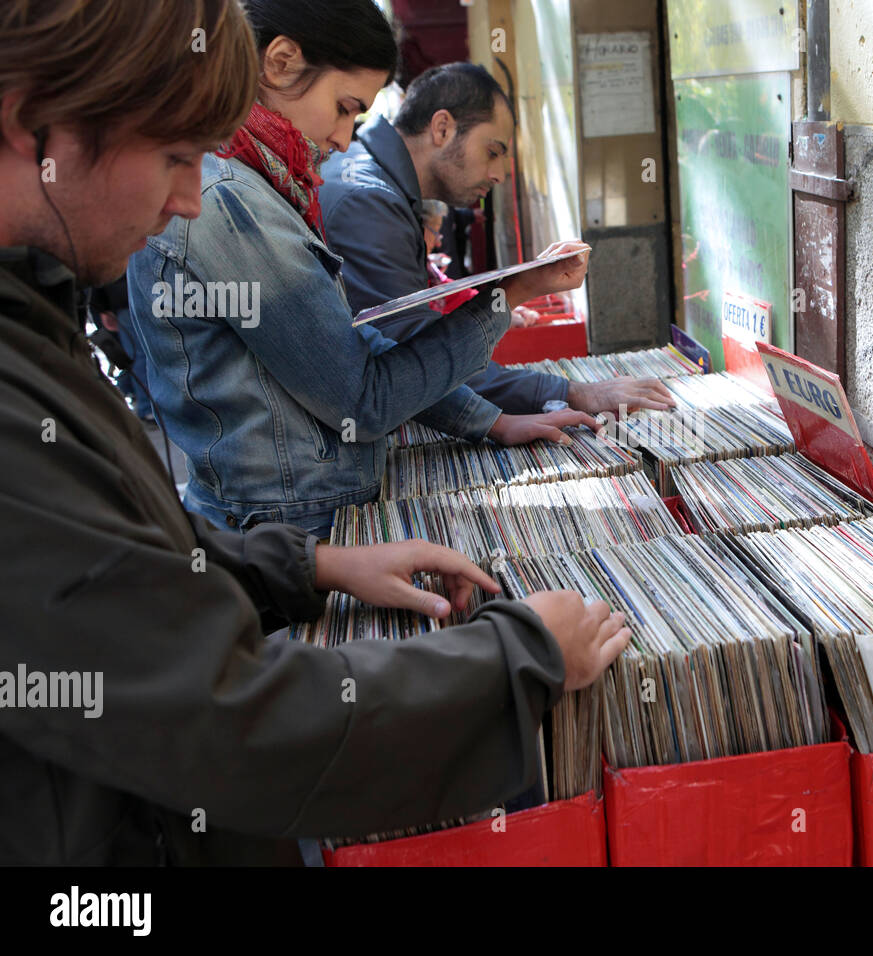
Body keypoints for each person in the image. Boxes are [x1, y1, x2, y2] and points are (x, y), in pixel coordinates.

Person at [0, 0, 628, 866]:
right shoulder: (228, 204)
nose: (189, 197)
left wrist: (310, 567)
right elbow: (219, 716)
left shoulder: (39, 309)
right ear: (32, 128)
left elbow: (120, 551)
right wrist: (514, 660)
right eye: (176, 154)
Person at [124, 0, 597, 540]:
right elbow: (365, 398)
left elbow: (354, 345)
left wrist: (491, 420)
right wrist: (509, 295)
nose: (345, 138)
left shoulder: (263, 186)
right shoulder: (230, 202)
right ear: (279, 62)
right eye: (344, 107)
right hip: (291, 530)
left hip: (296, 519)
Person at [319, 62, 675, 422]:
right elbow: (415, 368)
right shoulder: (367, 201)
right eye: (493, 151)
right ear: (442, 128)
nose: (499, 175)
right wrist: (573, 392)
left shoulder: (371, 181)